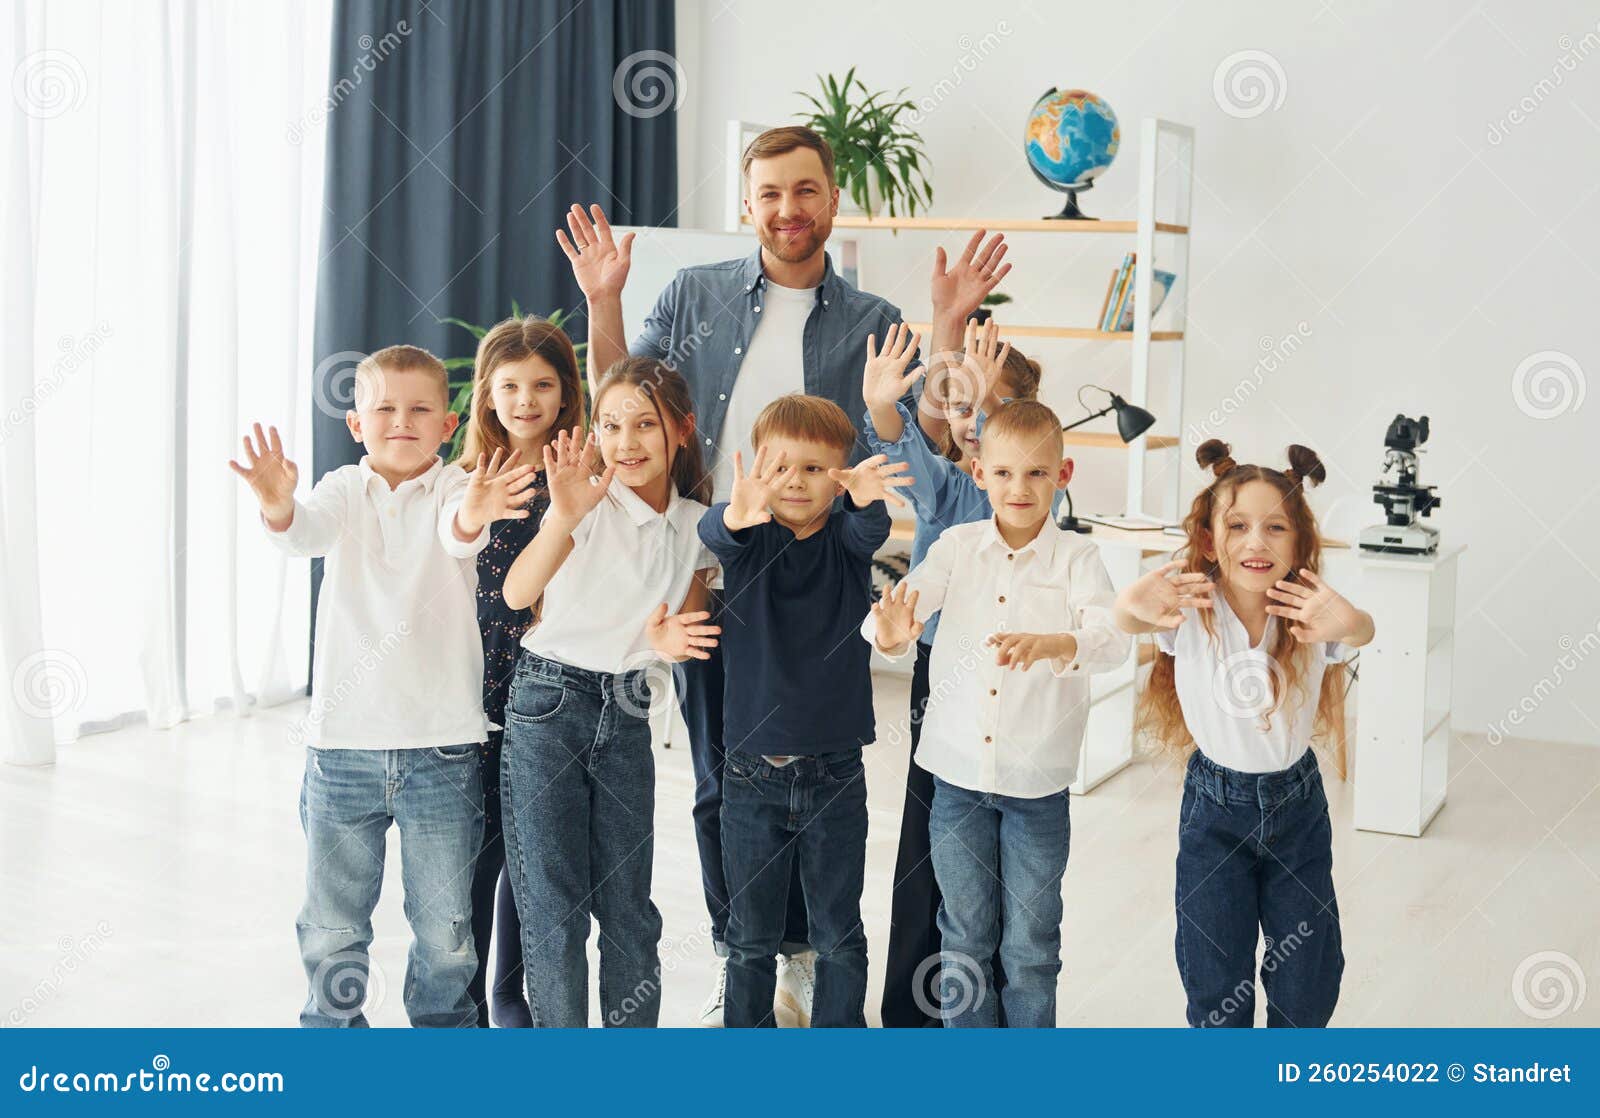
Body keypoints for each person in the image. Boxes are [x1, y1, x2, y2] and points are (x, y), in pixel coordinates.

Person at [556, 124, 1010, 1025]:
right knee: (723, 784)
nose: (787, 210)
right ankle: (748, 954)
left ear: (832, 200)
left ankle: (804, 958)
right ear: (748, 203)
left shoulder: (875, 319)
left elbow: (924, 425)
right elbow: (623, 397)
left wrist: (949, 323)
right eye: (769, 193)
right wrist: (603, 300)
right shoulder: (693, 295)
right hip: (711, 572)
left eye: (804, 191)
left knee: (821, 771)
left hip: (821, 586)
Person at [230, 344, 533, 1027]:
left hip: (444, 753)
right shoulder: (342, 488)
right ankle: (334, 1040)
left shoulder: (460, 488)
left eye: (421, 407)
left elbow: (461, 538)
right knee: (333, 924)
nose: (403, 419)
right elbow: (304, 535)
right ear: (358, 424)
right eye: (385, 407)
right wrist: (279, 506)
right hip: (342, 751)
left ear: (449, 424)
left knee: (448, 935)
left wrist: (478, 509)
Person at [864, 398, 1130, 1026]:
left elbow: (1114, 640)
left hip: (1036, 788)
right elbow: (904, 611)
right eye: (1004, 473)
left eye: (1037, 473)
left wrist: (1062, 643)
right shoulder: (956, 548)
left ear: (1062, 478)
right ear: (979, 473)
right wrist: (895, 631)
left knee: (1032, 945)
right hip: (955, 781)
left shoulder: (1078, 561)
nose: (1020, 488)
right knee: (963, 937)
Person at [1113, 439, 1373, 1027]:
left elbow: (1361, 631)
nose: (1256, 542)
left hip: (1296, 809)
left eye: (1275, 527)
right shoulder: (1191, 606)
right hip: (1213, 811)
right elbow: (1127, 619)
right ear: (1209, 538)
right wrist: (1133, 598)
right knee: (1214, 972)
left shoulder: (1308, 610)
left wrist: (1350, 619)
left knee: (1307, 976)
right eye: (1238, 526)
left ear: (1299, 543)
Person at [497, 359, 719, 1027]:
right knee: (553, 908)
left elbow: (685, 625)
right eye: (612, 424)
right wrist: (561, 517)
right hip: (547, 705)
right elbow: (516, 594)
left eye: (645, 424)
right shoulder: (582, 501)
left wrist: (673, 641)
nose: (627, 442)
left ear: (680, 430)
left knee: (629, 907)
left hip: (626, 713)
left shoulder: (700, 526)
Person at [861, 317, 1062, 1026]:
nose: (971, 418)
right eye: (962, 402)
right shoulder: (950, 488)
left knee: (1026, 900)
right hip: (942, 683)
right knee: (944, 864)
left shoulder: (1036, 496)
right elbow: (902, 450)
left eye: (990, 405)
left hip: (1018, 703)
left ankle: (1012, 1012)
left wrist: (981, 411)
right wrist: (886, 405)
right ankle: (938, 1017)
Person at [698, 392, 907, 1027]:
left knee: (838, 931)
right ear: (758, 468)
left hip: (835, 770)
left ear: (838, 478)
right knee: (750, 937)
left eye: (815, 469)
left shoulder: (847, 539)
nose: (795, 480)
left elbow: (870, 527)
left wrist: (865, 495)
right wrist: (738, 509)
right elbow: (717, 529)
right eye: (780, 466)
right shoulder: (748, 541)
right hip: (750, 774)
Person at [444, 316, 586, 1027]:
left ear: (565, 395)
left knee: (531, 849)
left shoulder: (583, 478)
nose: (526, 400)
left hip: (550, 686)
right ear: (488, 396)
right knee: (479, 849)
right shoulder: (464, 481)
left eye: (542, 385)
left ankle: (509, 989)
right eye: (509, 386)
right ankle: (469, 999)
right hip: (474, 683)